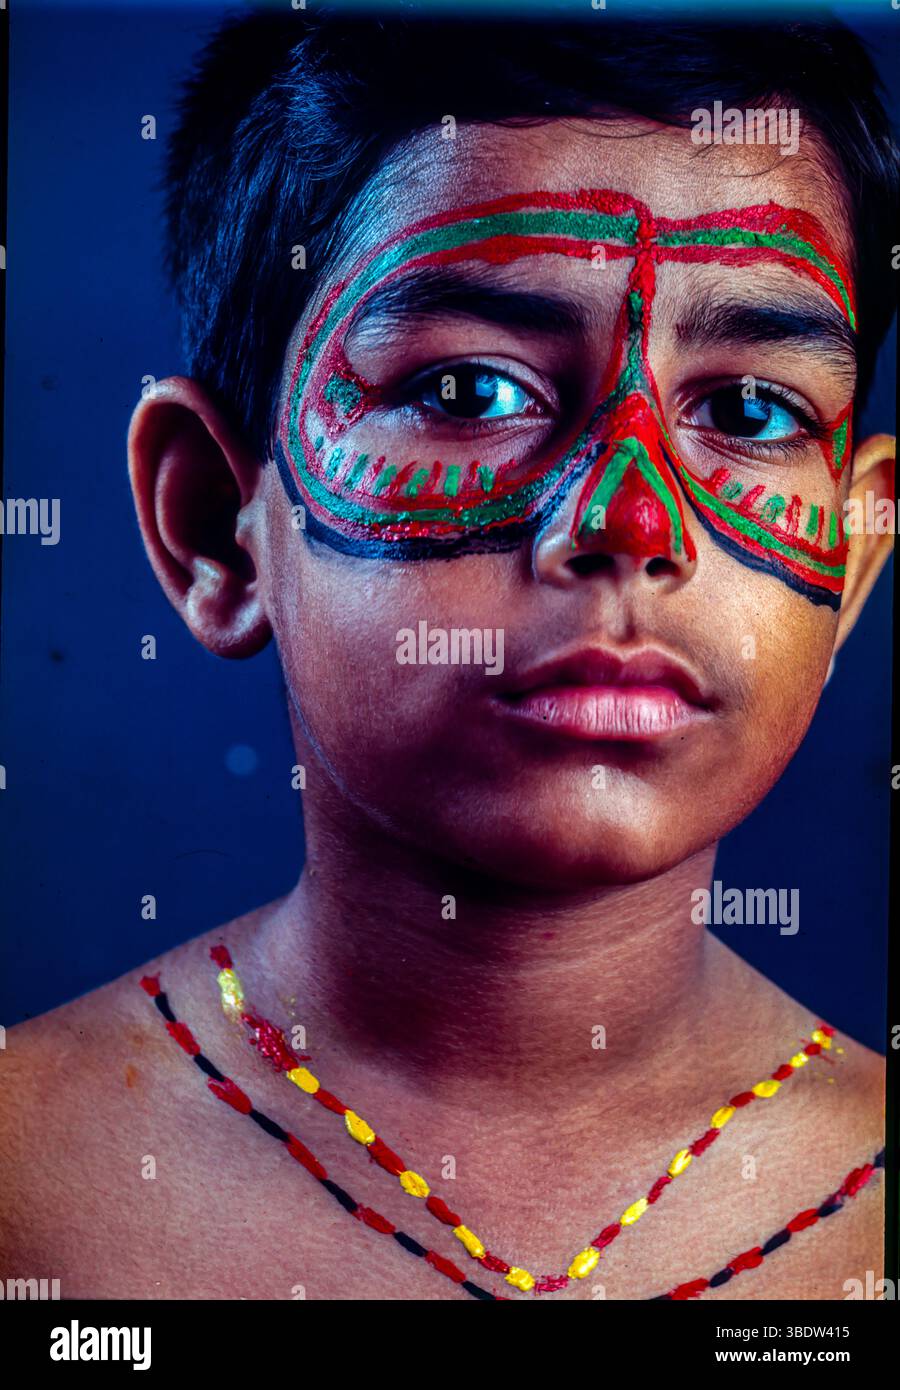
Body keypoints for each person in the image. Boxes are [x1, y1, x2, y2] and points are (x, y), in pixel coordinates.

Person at [1, 9, 896, 1301]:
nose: (631, 526)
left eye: (749, 410)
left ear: (855, 558)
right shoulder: (32, 1187)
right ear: (218, 529)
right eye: (470, 391)